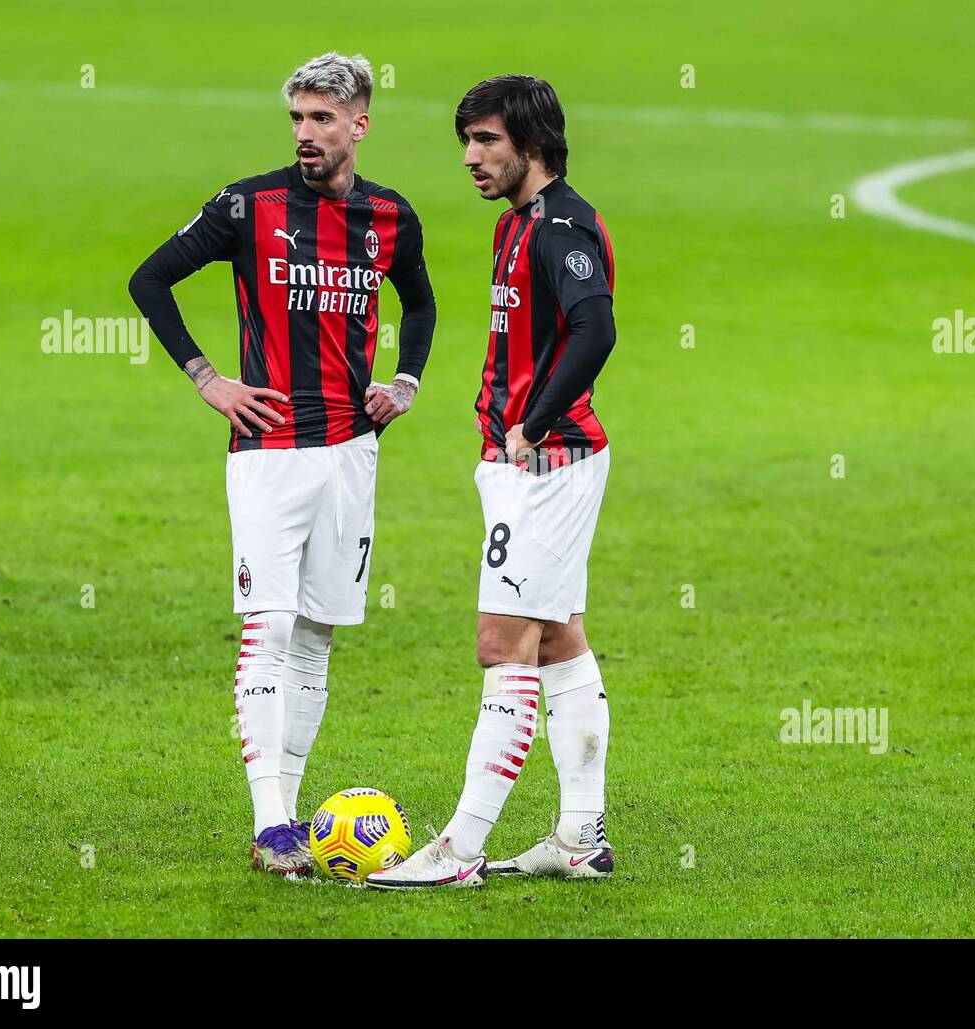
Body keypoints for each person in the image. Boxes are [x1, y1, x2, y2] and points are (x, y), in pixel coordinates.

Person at [128, 52, 435, 874]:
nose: (305, 133)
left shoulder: (392, 217)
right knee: (268, 624)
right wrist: (207, 378)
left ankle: (292, 819)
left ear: (359, 125)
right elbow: (150, 279)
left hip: (351, 452)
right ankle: (270, 825)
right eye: (297, 117)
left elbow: (422, 300)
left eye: (321, 119)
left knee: (319, 635)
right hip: (266, 451)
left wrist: (406, 379)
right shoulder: (247, 204)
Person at [368, 74, 615, 890]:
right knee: (556, 638)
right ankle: (581, 836)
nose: (471, 158)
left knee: (500, 644)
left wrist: (533, 423)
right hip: (532, 465)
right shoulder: (520, 224)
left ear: (532, 146)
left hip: (545, 466)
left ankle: (459, 848)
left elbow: (595, 327)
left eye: (487, 142)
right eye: (466, 141)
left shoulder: (561, 228)